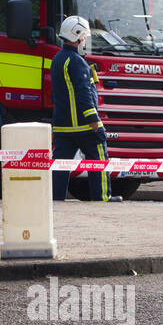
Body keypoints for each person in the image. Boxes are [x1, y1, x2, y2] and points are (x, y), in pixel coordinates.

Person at [50, 16, 118, 203]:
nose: (86, 40)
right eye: (85, 37)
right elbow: (83, 93)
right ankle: (102, 197)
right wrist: (94, 120)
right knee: (98, 158)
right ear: (78, 36)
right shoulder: (76, 61)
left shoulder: (57, 59)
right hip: (84, 125)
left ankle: (56, 199)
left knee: (60, 165)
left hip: (63, 126)